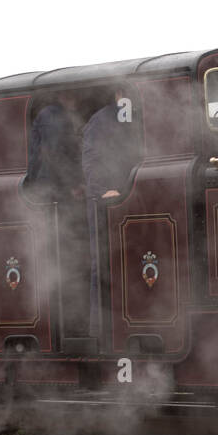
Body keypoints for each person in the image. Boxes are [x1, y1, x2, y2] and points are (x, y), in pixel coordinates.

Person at [80, 86, 140, 335]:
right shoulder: (101, 120)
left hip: (130, 196)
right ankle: (99, 329)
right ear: (119, 93)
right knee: (102, 263)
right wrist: (102, 190)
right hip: (106, 200)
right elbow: (92, 157)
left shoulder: (135, 118)